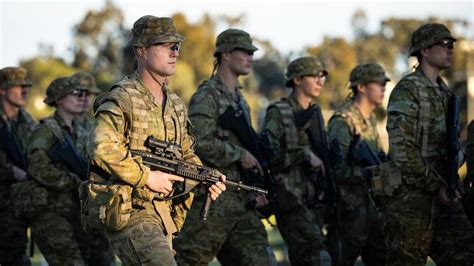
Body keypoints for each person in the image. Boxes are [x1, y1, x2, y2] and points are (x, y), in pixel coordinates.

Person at [88, 15, 225, 265]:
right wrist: (147, 176)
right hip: (129, 210)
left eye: (177, 46)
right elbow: (102, 148)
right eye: (165, 45)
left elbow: (185, 154)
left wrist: (204, 174)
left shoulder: (174, 104)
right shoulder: (122, 98)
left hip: (163, 213)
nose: (175, 52)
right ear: (141, 49)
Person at [173, 29, 276, 266]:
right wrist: (239, 155)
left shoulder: (240, 100)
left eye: (252, 52)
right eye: (245, 51)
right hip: (213, 199)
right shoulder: (207, 95)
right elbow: (198, 142)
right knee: (188, 260)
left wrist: (255, 187)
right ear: (226, 55)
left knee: (262, 259)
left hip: (241, 201)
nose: (251, 57)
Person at [383, 22, 474, 265]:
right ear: (424, 50)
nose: (451, 50)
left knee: (466, 255)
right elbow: (401, 151)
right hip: (411, 202)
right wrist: (436, 186)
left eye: (452, 45)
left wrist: (461, 158)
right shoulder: (408, 89)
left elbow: (448, 147)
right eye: (445, 45)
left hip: (444, 197)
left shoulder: (445, 93)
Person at [261, 56, 331, 266]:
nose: (321, 81)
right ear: (298, 80)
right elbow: (268, 157)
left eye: (323, 77)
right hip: (291, 200)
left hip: (315, 201)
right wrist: (303, 154)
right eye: (315, 76)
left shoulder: (315, 113)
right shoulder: (279, 112)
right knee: (317, 255)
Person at [326, 63, 389, 266]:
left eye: (384, 84)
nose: (383, 88)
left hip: (372, 211)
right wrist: (370, 173)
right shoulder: (343, 121)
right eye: (378, 83)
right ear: (361, 87)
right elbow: (335, 170)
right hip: (349, 212)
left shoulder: (369, 121)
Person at [27, 76, 90, 265]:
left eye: (84, 94)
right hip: (51, 212)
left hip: (76, 212)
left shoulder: (80, 132)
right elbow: (37, 167)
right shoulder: (46, 131)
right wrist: (71, 180)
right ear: (60, 99)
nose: (82, 98)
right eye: (76, 94)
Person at [0, 67, 36, 266]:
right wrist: (11, 171)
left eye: (26, 86)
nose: (24, 91)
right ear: (2, 90)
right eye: (18, 86)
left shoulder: (27, 121)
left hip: (17, 202)